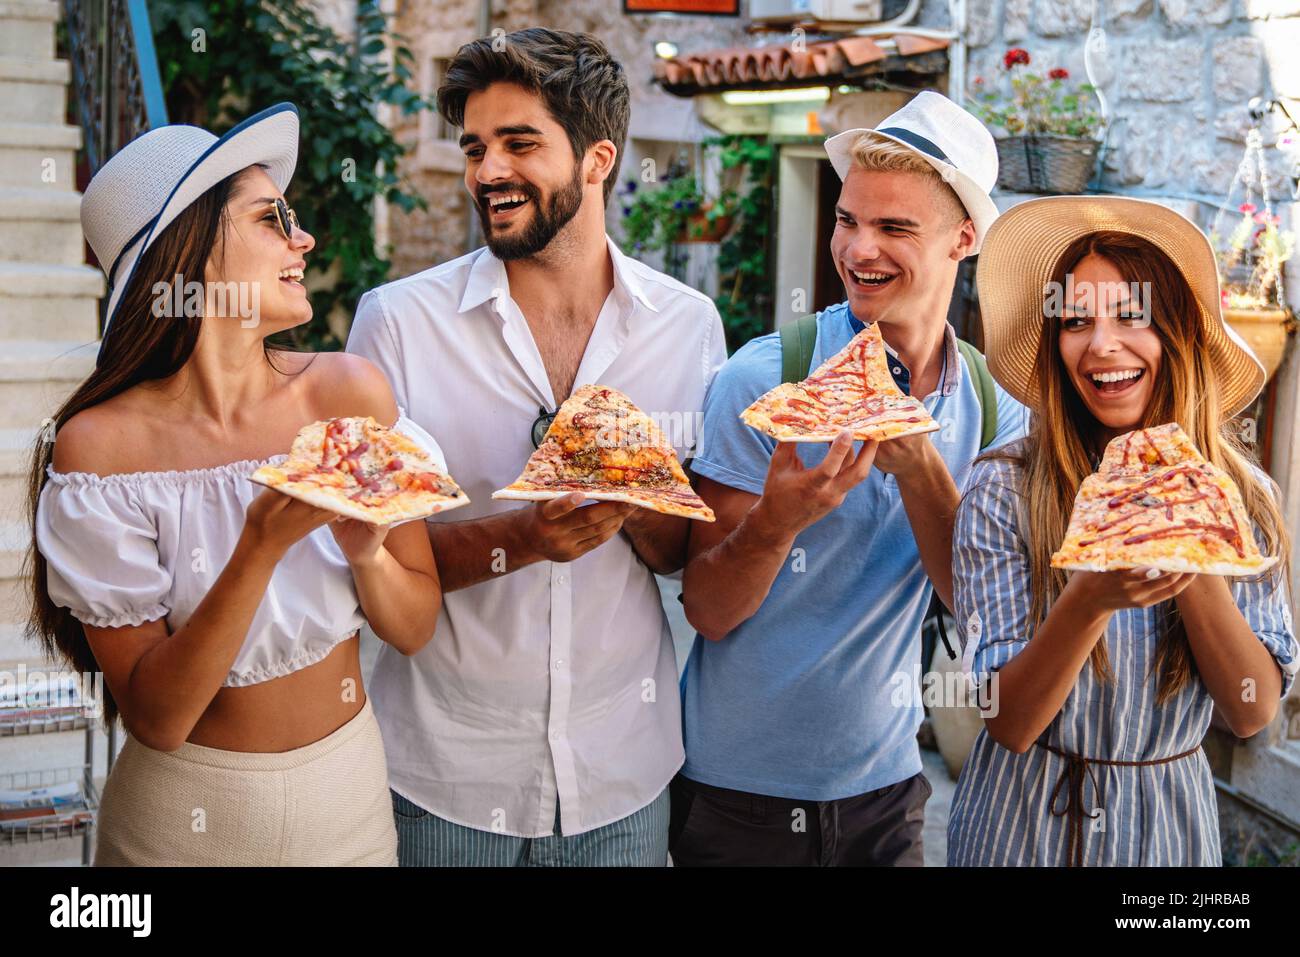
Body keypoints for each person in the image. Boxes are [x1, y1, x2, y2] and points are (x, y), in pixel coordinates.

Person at [345, 28, 727, 866]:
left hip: (623, 773)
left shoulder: (688, 325)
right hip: (447, 775)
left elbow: (677, 554)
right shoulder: (398, 324)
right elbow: (376, 564)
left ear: (598, 159)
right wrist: (523, 537)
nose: (487, 172)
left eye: (520, 143)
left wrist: (630, 496)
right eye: (476, 148)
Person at [30, 104, 443, 866]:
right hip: (176, 829)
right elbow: (158, 716)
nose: (303, 238)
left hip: (347, 806)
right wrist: (257, 546)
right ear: (193, 257)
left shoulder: (349, 394)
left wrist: (368, 557)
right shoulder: (99, 451)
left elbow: (416, 625)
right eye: (271, 219)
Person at [672, 92, 1028, 866]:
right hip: (737, 793)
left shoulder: (998, 411)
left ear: (964, 238)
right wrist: (775, 523)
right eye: (846, 219)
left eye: (894, 227)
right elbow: (706, 608)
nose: (858, 249)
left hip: (888, 789)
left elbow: (980, 611)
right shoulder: (766, 377)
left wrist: (919, 464)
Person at [946, 196, 1299, 866]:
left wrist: (1189, 546)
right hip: (1020, 825)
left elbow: (1253, 712)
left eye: (1131, 316)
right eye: (1075, 320)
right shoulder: (1004, 488)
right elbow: (1010, 722)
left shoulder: (1242, 499)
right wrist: (1091, 597)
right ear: (1055, 344)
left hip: (1165, 831)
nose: (1102, 343)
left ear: (1177, 332)